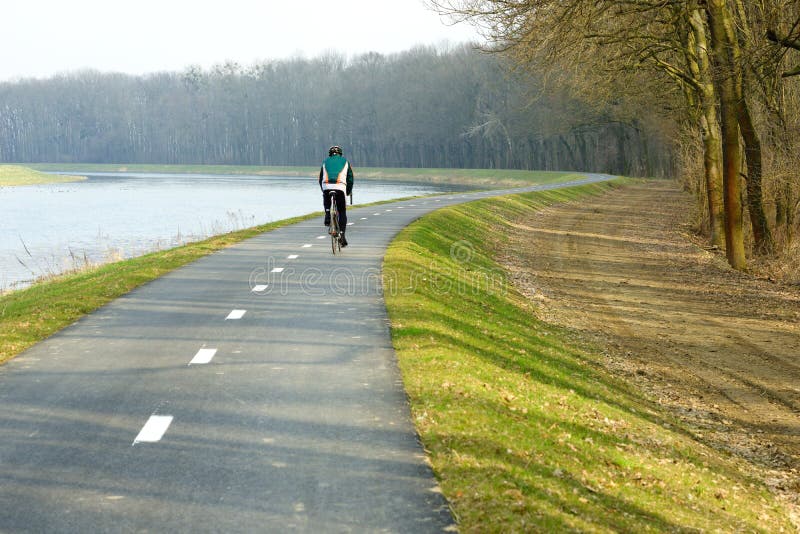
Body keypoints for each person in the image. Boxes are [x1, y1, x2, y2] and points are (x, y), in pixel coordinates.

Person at [319, 145, 354, 247]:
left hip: (326, 186)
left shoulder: (325, 162)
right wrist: (347, 192)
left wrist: (324, 190)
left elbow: (320, 178)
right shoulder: (345, 162)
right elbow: (350, 179)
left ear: (330, 154)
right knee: (342, 211)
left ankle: (327, 215)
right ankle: (342, 235)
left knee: (326, 199)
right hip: (340, 187)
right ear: (340, 153)